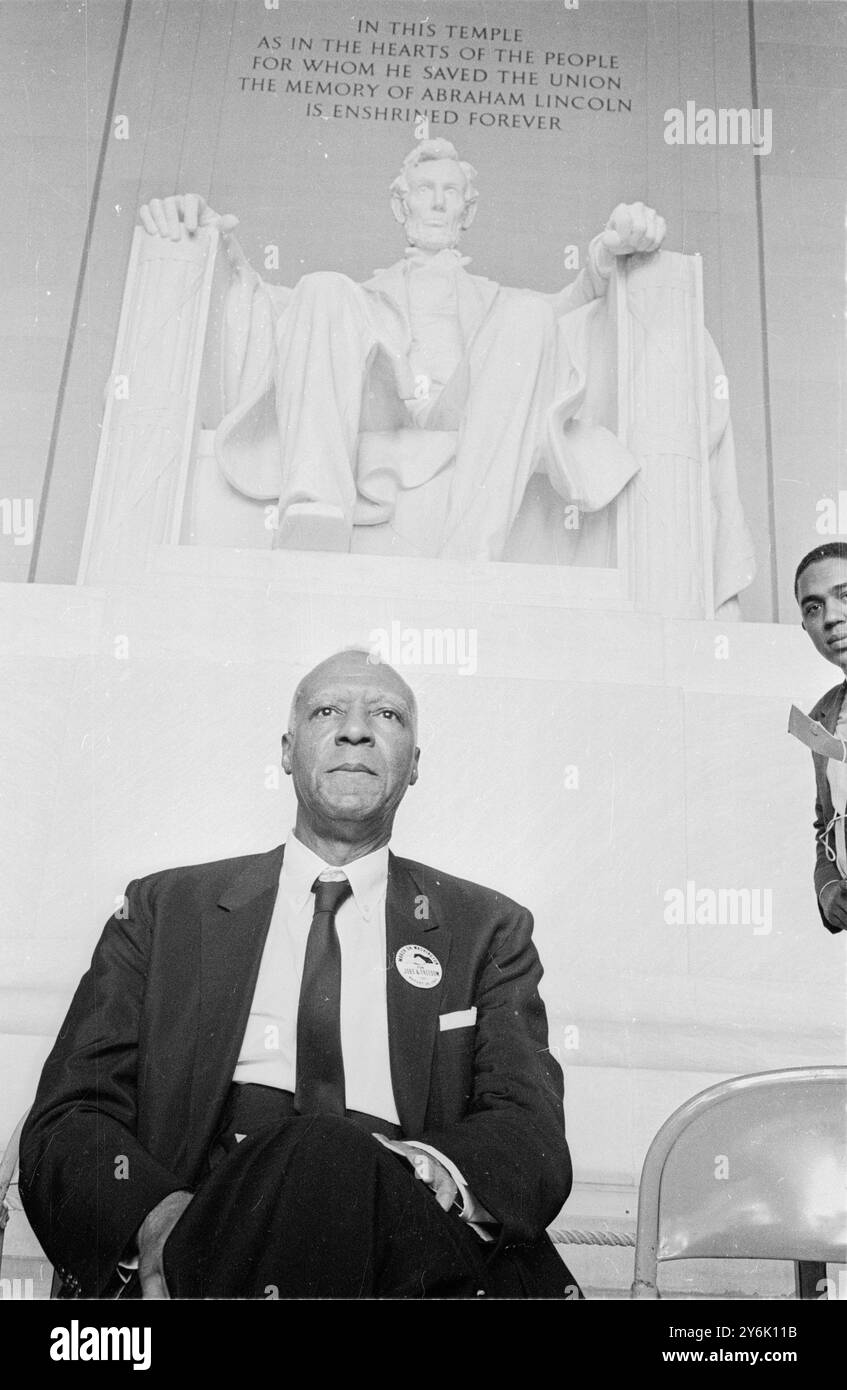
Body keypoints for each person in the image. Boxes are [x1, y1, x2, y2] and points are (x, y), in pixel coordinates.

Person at [19, 648, 580, 1299]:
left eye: (386, 714)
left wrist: (422, 1172)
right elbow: (70, 1116)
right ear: (287, 751)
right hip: (210, 1219)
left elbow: (529, 1131)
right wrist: (154, 1218)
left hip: (410, 1225)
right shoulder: (163, 909)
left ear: (416, 764)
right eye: (326, 711)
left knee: (328, 1157)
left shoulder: (487, 929)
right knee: (315, 1155)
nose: (354, 729)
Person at [139, 138, 665, 559]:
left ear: (469, 210)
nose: (437, 201)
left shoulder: (499, 304)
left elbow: (576, 305)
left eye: (451, 192)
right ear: (401, 202)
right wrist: (211, 237)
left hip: (464, 408)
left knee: (529, 316)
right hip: (383, 403)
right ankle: (315, 514)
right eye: (425, 189)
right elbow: (254, 304)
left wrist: (607, 252)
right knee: (320, 285)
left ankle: (469, 552)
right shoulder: (357, 301)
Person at [795, 541, 847, 934]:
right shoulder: (825, 713)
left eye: (844, 595)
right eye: (813, 607)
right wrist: (827, 884)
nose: (830, 618)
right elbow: (826, 823)